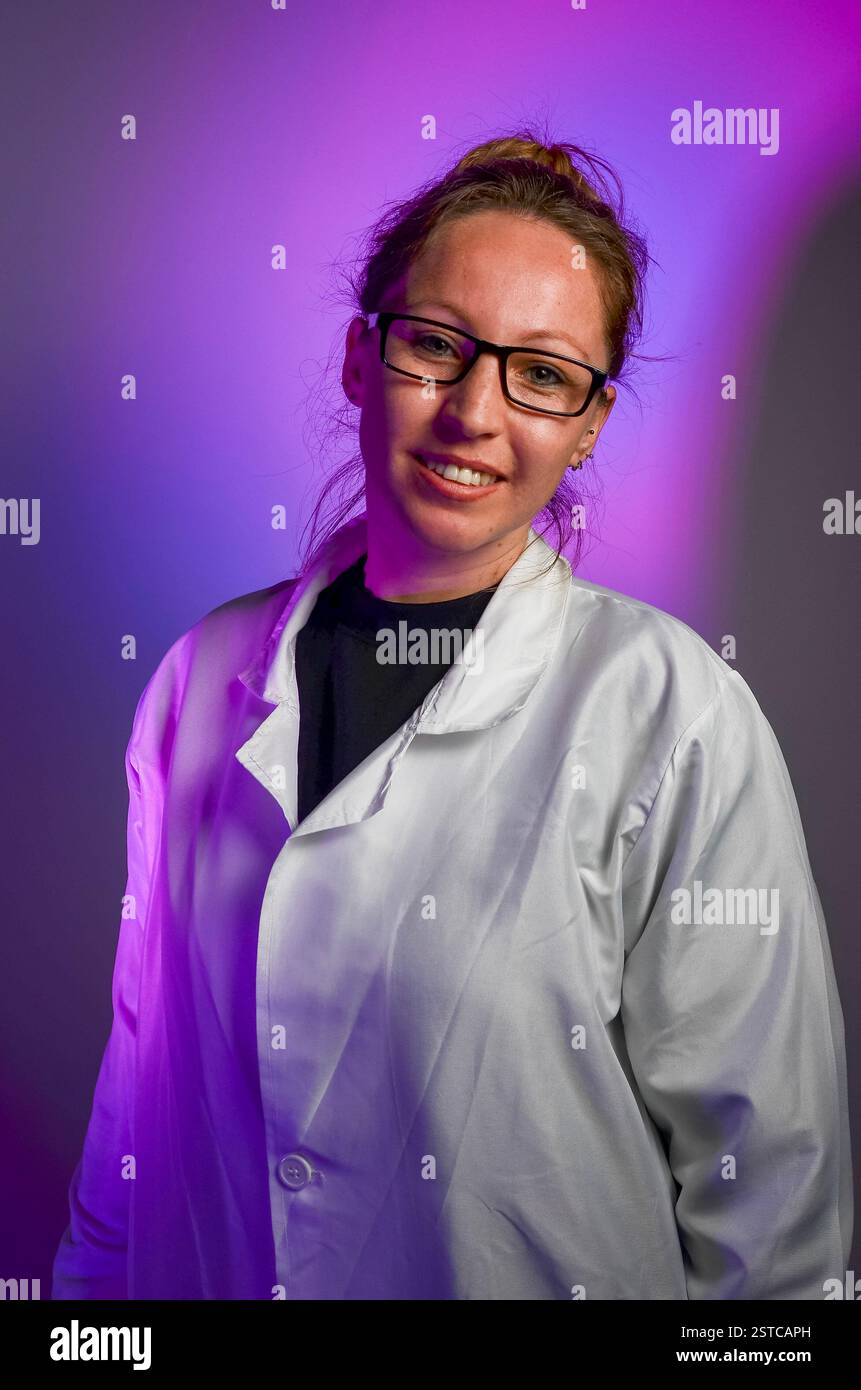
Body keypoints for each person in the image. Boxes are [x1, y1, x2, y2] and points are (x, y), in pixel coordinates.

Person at [52, 132, 852, 1301]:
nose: (477, 410)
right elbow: (137, 1104)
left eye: (541, 374)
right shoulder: (196, 680)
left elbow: (774, 1219)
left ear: (588, 423)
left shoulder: (671, 713)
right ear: (360, 360)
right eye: (437, 344)